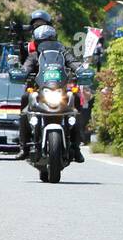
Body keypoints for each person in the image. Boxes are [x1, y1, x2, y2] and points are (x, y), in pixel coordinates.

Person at [19, 23, 84, 163]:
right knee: (25, 98)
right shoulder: (34, 56)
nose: (47, 44)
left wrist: (81, 69)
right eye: (43, 42)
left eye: (50, 41)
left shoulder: (63, 53)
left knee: (75, 98)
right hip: (39, 91)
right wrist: (21, 72)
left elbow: (74, 63)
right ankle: (23, 147)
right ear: (37, 43)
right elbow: (26, 68)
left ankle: (76, 147)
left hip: (59, 90)